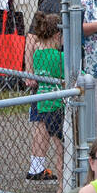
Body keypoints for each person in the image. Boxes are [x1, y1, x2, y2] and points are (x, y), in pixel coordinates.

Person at [25, 11, 64, 183]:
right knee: (60, 146)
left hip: (43, 104)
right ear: (58, 35)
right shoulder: (60, 57)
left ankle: (38, 167)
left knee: (44, 130)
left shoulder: (38, 55)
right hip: (56, 106)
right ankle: (65, 174)